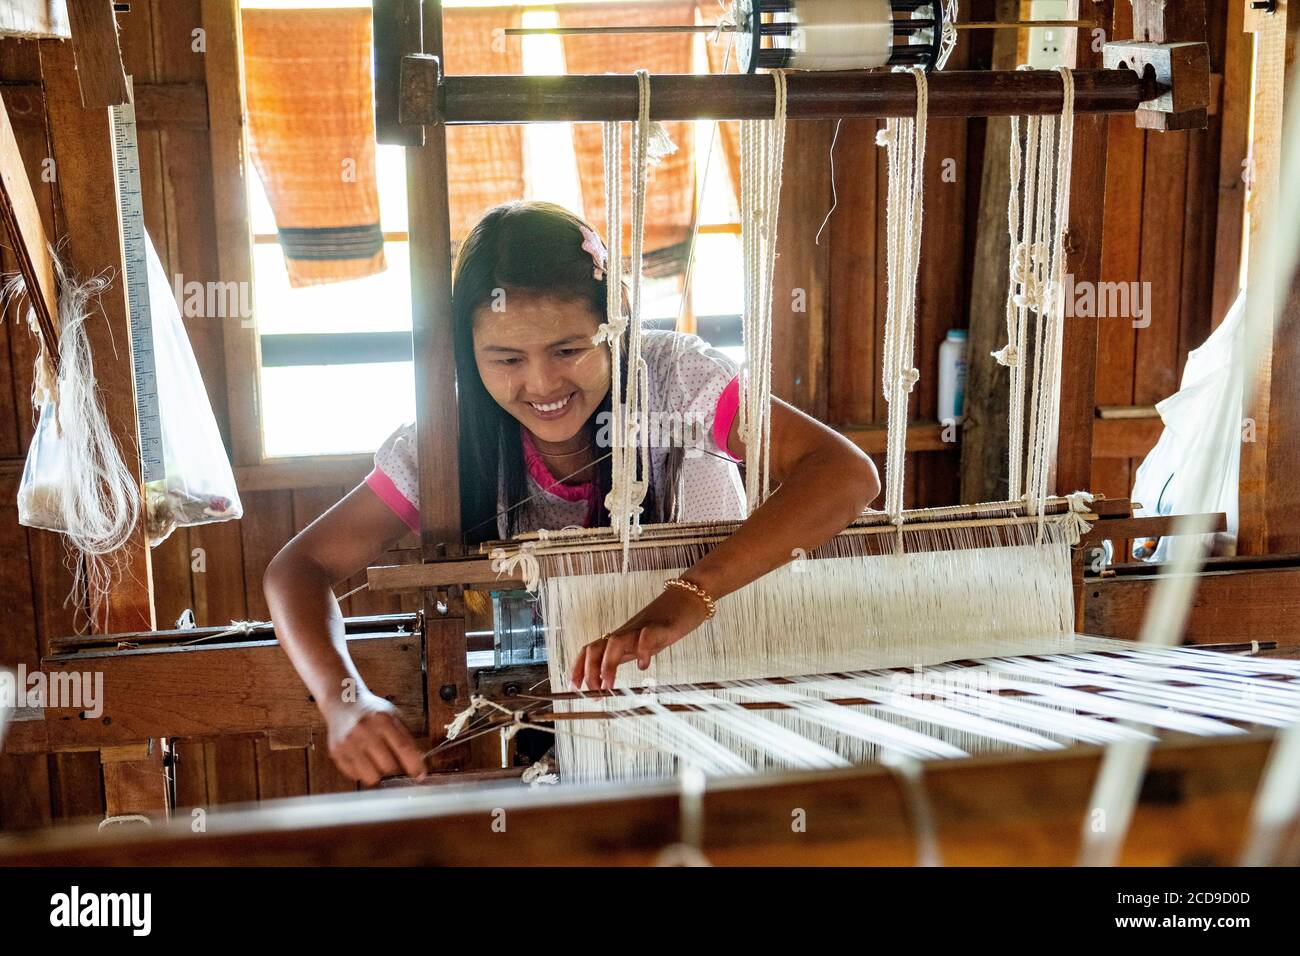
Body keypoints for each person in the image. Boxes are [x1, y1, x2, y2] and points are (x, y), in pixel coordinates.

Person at [264, 200, 880, 785]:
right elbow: (299, 567)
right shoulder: (449, 447)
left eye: (569, 350)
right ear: (468, 355)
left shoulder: (672, 380)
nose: (542, 383)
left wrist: (692, 595)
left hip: (719, 703)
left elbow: (843, 472)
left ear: (617, 328)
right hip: (562, 722)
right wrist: (343, 699)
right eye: (506, 358)